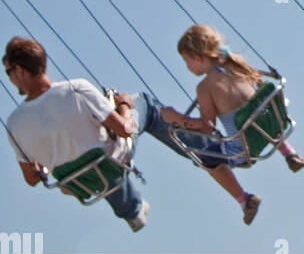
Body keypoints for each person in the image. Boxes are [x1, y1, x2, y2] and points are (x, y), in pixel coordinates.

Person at [3, 36, 227, 233]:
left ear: (20, 70)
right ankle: (209, 154)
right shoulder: (76, 88)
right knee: (143, 104)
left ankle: (133, 211)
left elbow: (32, 179)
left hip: (78, 183)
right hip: (109, 160)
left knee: (93, 162)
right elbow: (124, 129)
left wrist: (47, 156)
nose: (9, 78)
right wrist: (124, 106)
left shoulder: (14, 124)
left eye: (8, 72)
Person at [159, 24, 304, 228]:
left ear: (198, 58)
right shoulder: (236, 67)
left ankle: (245, 199)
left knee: (204, 159)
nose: (187, 67)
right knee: (257, 117)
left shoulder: (205, 87)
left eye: (186, 61)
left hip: (242, 149)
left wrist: (176, 117)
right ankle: (289, 154)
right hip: (271, 128)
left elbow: (206, 127)